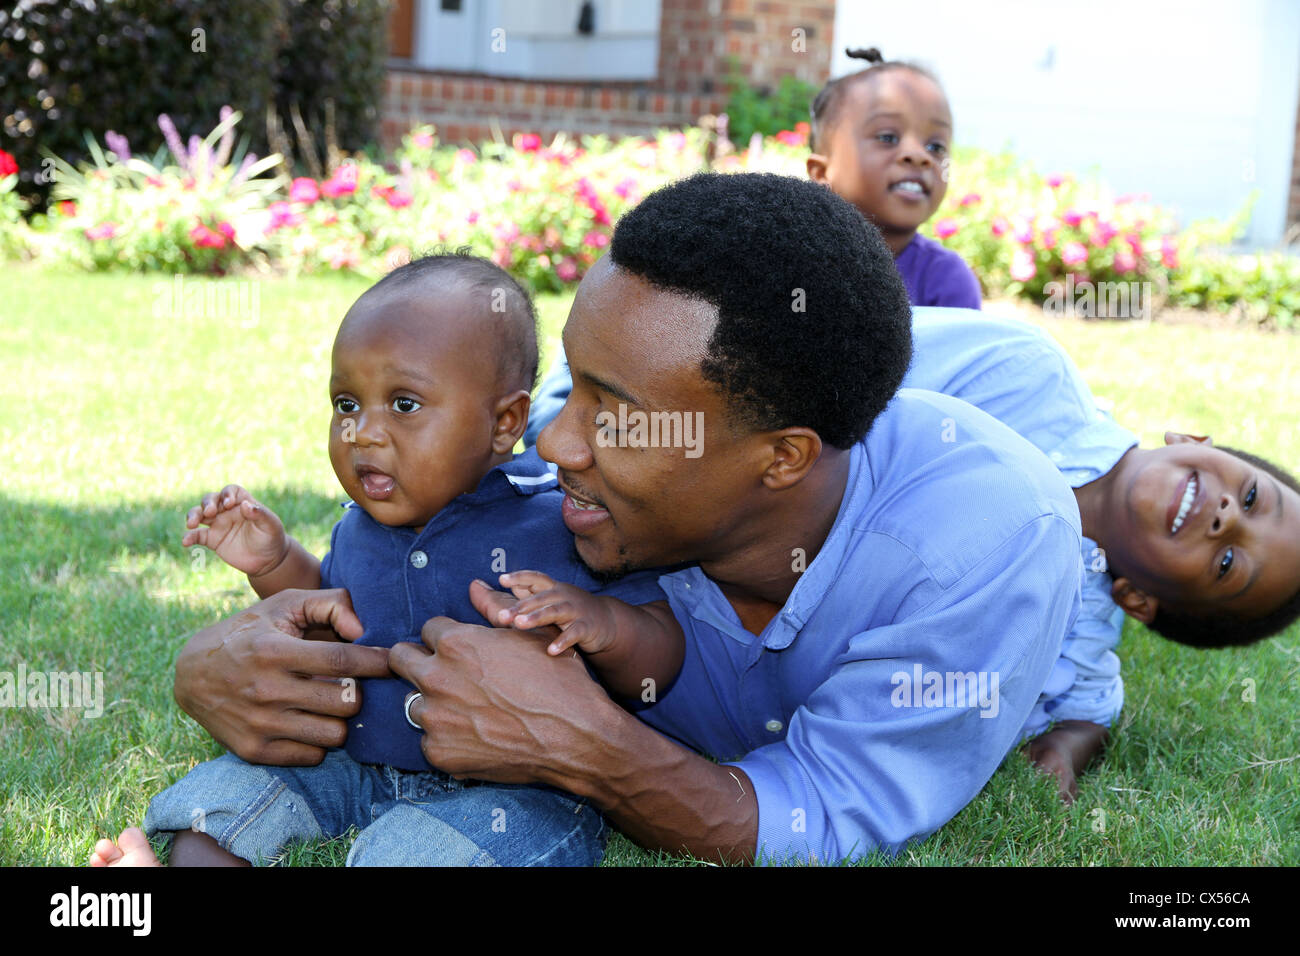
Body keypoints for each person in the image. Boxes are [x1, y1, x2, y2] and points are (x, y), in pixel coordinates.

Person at [159, 173, 1086, 864]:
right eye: (571, 388)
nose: (556, 442)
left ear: (782, 458)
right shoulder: (612, 450)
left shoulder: (982, 547)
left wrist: (584, 748)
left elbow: (818, 809)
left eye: (612, 412)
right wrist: (213, 660)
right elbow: (409, 529)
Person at [88, 253, 681, 867]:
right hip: (353, 763)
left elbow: (661, 655)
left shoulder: (557, 520)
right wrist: (272, 563)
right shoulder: (361, 528)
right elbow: (330, 624)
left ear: (504, 422)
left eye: (403, 405)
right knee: (233, 794)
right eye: (346, 404)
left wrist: (602, 624)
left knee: (428, 853)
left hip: (513, 788)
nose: (361, 434)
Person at [902, 308, 1300, 800]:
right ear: (1193, 439)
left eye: (1226, 564)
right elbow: (846, 353)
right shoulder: (1025, 372)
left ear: (1136, 599)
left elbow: (1091, 705)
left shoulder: (1077, 618)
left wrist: (1070, 743)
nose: (1227, 518)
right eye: (1252, 498)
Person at [806, 46, 982, 310]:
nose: (919, 155)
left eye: (935, 146)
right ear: (822, 174)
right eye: (887, 137)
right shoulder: (798, 263)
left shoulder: (947, 281)